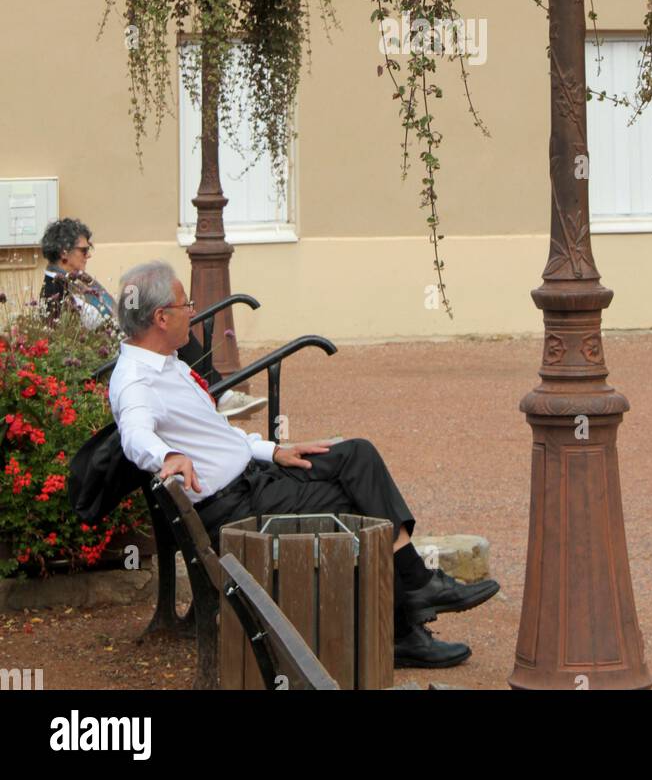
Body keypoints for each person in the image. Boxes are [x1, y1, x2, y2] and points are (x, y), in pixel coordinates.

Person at [109, 260, 500, 668]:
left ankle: (417, 591)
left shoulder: (167, 364)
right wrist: (166, 455)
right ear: (160, 317)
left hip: (254, 478)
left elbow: (218, 439)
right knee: (356, 510)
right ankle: (404, 628)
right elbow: (135, 434)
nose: (192, 310)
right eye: (185, 304)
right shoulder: (136, 380)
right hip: (235, 509)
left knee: (357, 455)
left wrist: (273, 450)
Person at [41, 219, 262, 420]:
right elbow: (78, 332)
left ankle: (218, 394)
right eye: (84, 250)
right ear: (64, 252)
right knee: (168, 324)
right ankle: (220, 395)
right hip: (110, 355)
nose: (88, 255)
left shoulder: (77, 281)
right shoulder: (55, 291)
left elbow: (112, 310)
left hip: (122, 336)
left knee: (169, 318)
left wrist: (137, 304)